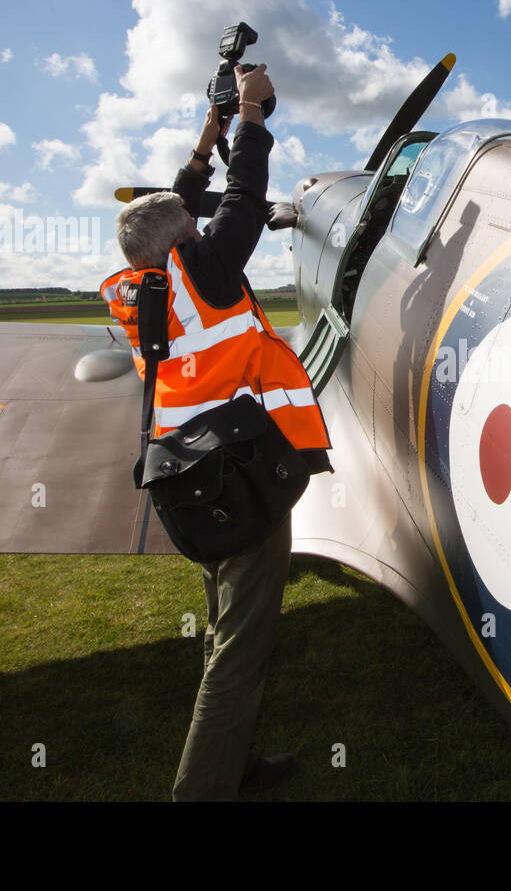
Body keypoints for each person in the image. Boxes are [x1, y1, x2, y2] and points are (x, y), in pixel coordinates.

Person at [101, 64, 332, 800]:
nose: (204, 227)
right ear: (185, 241)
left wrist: (210, 133)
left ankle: (237, 766)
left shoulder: (148, 293)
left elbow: (182, 208)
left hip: (189, 483)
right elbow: (241, 199)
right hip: (239, 477)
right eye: (193, 227)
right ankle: (199, 791)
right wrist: (253, 116)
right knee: (238, 654)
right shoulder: (204, 273)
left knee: (221, 632)